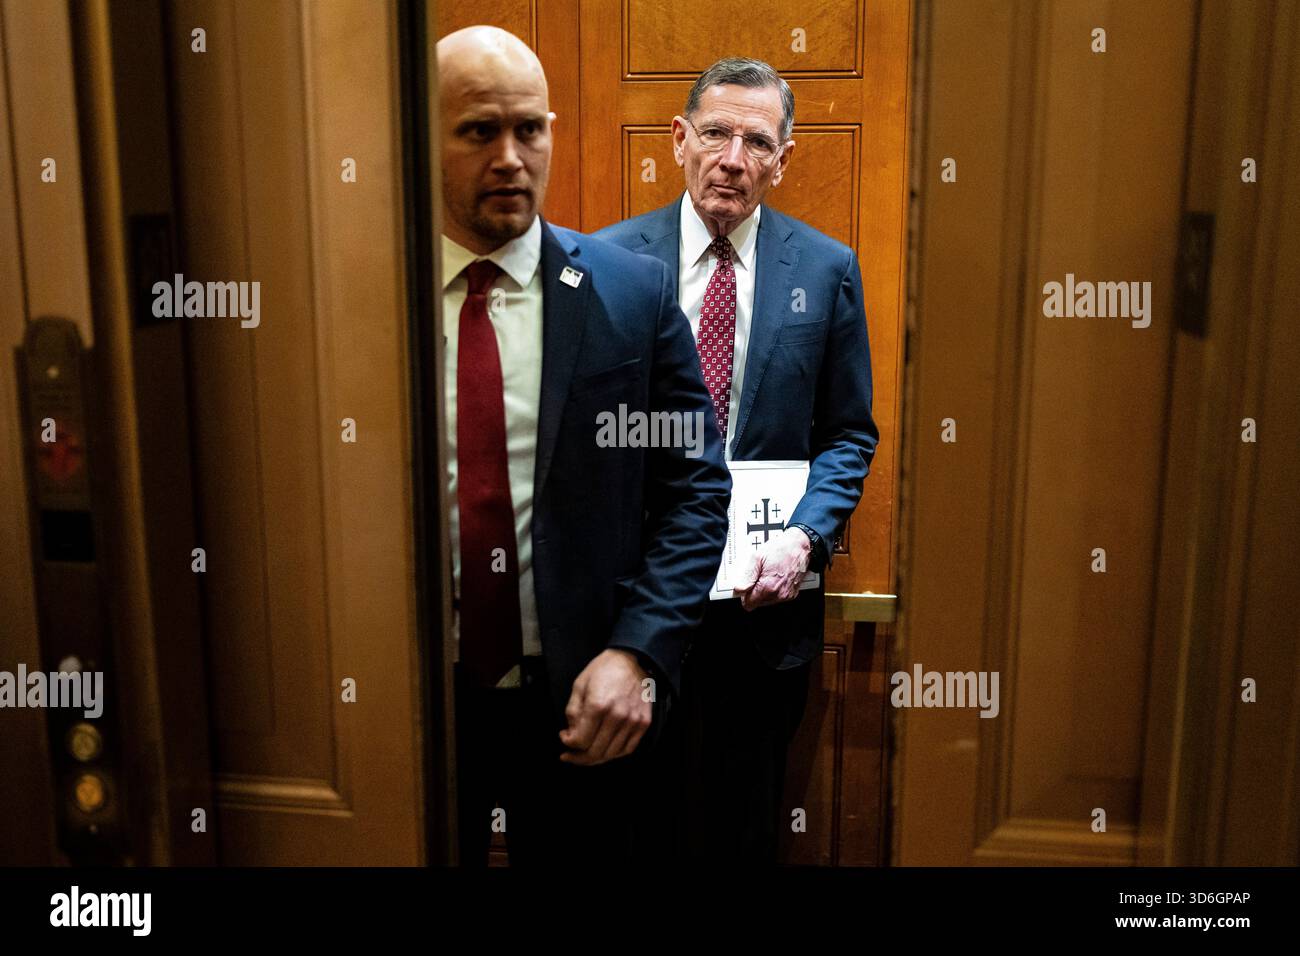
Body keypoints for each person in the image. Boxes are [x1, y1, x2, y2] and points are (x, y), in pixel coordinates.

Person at [436, 26, 730, 866]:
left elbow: (696, 493)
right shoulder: (362, 298)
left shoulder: (629, 294)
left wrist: (639, 650)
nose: (509, 157)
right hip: (410, 699)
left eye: (529, 129)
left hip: (578, 699)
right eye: (477, 131)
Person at [595, 57, 878, 862]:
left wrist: (807, 538)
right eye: (716, 133)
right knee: (630, 833)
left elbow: (850, 434)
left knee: (742, 834)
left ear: (783, 159)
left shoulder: (827, 272)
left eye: (758, 141)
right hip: (639, 608)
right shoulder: (608, 261)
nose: (733, 157)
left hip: (762, 619)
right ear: (679, 140)